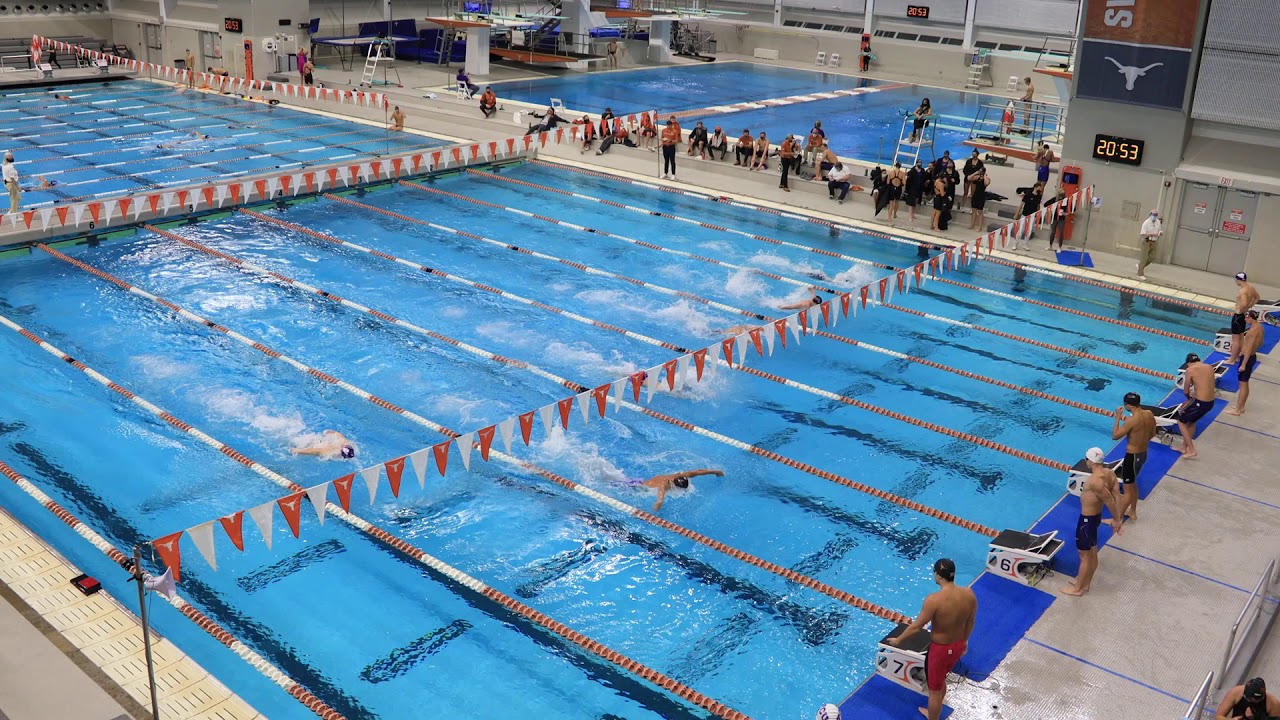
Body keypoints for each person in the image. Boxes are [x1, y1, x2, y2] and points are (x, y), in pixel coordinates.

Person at [886, 558, 977, 720]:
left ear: (938, 575)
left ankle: (932, 716)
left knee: (934, 691)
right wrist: (964, 641)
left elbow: (916, 626)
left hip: (940, 651)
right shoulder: (968, 594)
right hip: (957, 646)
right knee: (940, 681)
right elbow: (970, 621)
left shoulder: (934, 600)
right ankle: (934, 712)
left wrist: (899, 640)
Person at [1061, 447, 1124, 596]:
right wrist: (1119, 518)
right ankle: (1085, 584)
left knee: (1085, 556)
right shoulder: (1109, 473)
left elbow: (1109, 500)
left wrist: (1116, 520)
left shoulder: (1095, 481)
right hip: (1094, 519)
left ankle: (1077, 589)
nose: (1085, 461)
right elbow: (1117, 495)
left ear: (1091, 461)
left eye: (1086, 459)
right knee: (1093, 552)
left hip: (1087, 521)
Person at [1110, 392, 1156, 525]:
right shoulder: (1149, 414)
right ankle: (1133, 512)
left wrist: (1118, 417)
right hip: (1143, 454)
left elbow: (1115, 436)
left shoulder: (1131, 420)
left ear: (1127, 405)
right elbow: (1153, 432)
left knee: (1128, 490)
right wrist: (1141, 441)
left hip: (1132, 456)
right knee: (1133, 484)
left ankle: (1116, 520)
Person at [1178, 353, 1217, 459]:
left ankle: (1192, 450)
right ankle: (1183, 447)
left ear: (1189, 363)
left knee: (1181, 422)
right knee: (1191, 422)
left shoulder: (1190, 370)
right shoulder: (1209, 367)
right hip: (1210, 403)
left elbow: (1186, 391)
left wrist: (1189, 399)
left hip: (1200, 403)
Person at [1228, 310, 1263, 416]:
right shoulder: (1259, 327)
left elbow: (1249, 348)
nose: (1245, 319)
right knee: (1245, 384)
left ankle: (1237, 410)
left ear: (1252, 318)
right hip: (1251, 357)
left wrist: (1243, 364)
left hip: (1247, 359)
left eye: (1247, 318)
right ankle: (1241, 407)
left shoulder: (1253, 331)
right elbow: (1260, 343)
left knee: (1242, 385)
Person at [636, 468, 722, 511]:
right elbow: (661, 491)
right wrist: (660, 502)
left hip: (644, 481)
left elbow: (697, 472)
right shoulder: (666, 484)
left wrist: (714, 472)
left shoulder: (680, 475)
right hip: (642, 487)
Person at [1228, 272, 1262, 366]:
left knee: (1235, 339)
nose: (1235, 281)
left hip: (1238, 316)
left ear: (1239, 279)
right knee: (1241, 336)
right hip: (1243, 316)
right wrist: (1249, 307)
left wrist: (1240, 310)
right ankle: (1238, 356)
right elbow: (1257, 297)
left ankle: (1232, 359)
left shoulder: (1242, 291)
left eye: (1236, 280)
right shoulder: (1250, 287)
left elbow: (1243, 303)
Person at [1012, 182, 1044, 250]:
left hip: (1033, 216)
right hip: (1025, 214)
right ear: (1036, 187)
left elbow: (1038, 206)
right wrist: (1017, 214)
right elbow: (1021, 205)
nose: (1040, 189)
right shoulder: (1028, 195)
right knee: (1021, 230)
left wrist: (1038, 214)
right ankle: (1015, 243)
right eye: (1039, 187)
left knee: (1029, 231)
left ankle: (1025, 244)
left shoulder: (1038, 196)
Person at [291, 430, 356, 459]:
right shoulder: (331, 452)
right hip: (311, 444)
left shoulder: (345, 443)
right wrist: (297, 451)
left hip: (321, 441)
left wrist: (330, 432)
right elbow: (314, 450)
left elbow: (338, 434)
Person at [1137, 209, 1162, 280]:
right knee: (1144, 258)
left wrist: (1160, 233)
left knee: (1152, 257)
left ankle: (1140, 266)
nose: (1154, 216)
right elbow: (1143, 234)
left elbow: (1159, 230)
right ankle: (1140, 273)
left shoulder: (1158, 222)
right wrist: (1151, 234)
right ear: (1150, 214)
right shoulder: (1146, 223)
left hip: (1154, 241)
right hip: (1147, 241)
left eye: (1155, 215)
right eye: (1153, 214)